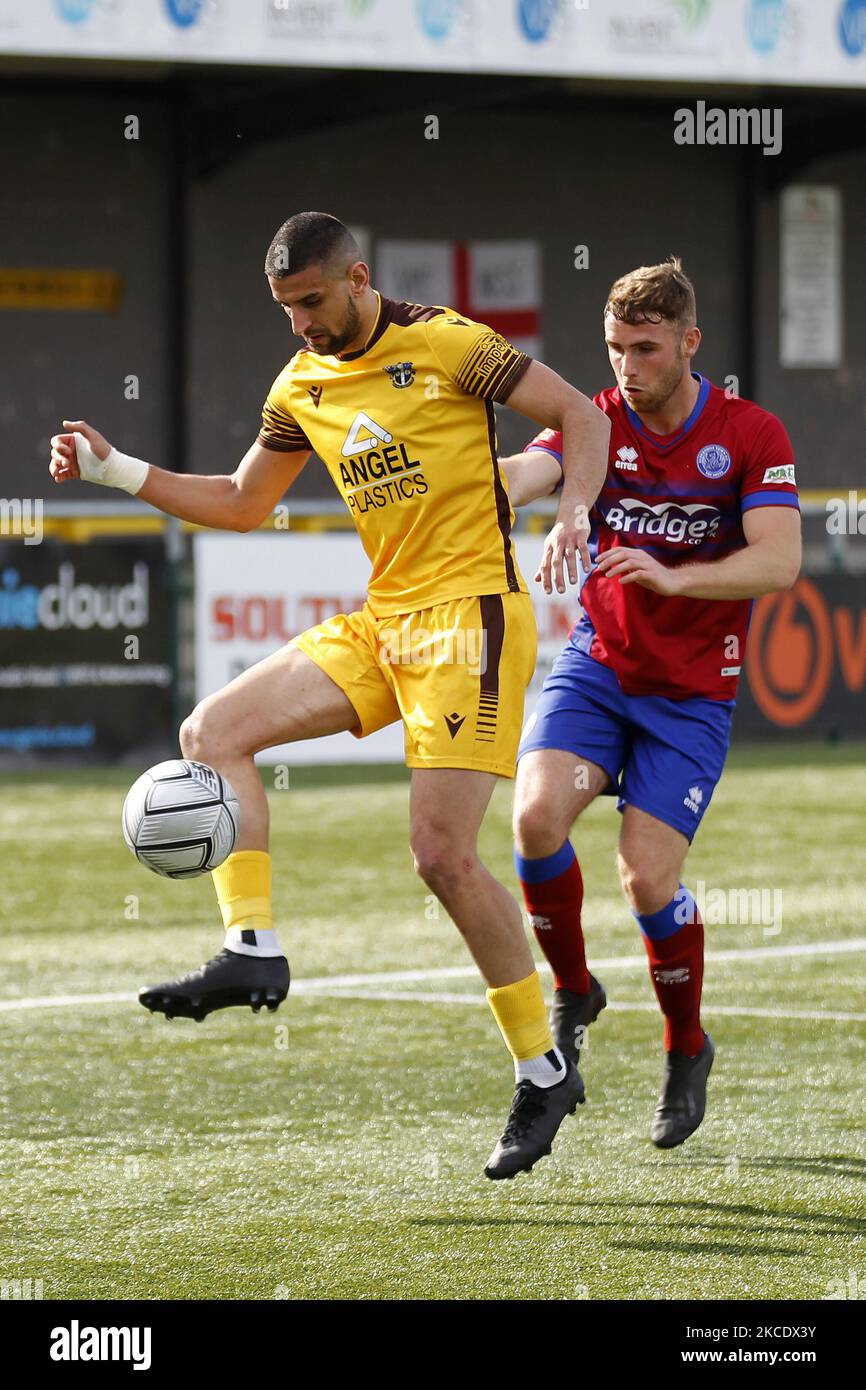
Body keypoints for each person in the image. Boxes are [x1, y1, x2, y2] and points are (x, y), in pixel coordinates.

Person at [48, 211, 611, 1180]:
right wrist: (111, 468)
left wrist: (568, 515)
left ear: (357, 278)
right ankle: (252, 948)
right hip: (384, 620)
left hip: (468, 619)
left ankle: (540, 1065)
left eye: (311, 301)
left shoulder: (444, 342)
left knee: (439, 855)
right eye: (284, 309)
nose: (300, 324)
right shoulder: (298, 385)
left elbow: (582, 417)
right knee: (210, 729)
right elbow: (240, 501)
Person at [500, 256, 801, 1148]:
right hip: (598, 667)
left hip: (692, 692)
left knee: (646, 876)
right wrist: (491, 484)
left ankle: (684, 1047)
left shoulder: (751, 433)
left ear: (689, 343)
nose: (627, 365)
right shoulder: (596, 421)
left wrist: (672, 572)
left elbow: (779, 562)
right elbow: (532, 465)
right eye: (614, 348)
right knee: (535, 819)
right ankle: (573, 991)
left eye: (645, 347)